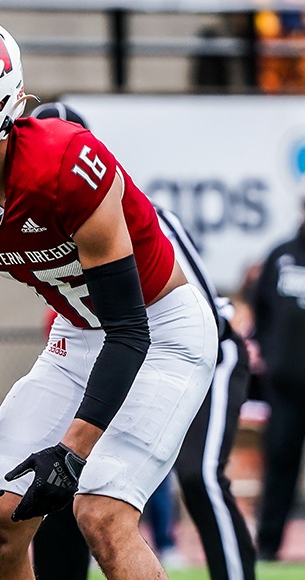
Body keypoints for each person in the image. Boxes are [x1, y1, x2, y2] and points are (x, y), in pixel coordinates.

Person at [0, 14, 218, 579]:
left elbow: (130, 331)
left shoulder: (66, 166)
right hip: (79, 336)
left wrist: (73, 450)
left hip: (159, 331)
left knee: (102, 514)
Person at [28, 102, 257, 580]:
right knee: (65, 483)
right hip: (124, 357)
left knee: (200, 478)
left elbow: (190, 319)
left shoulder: (146, 218)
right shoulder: (45, 231)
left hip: (203, 352)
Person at [252, 200, 305, 562]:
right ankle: (268, 547)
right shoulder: (281, 256)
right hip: (285, 388)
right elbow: (261, 310)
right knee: (280, 464)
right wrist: (268, 357)